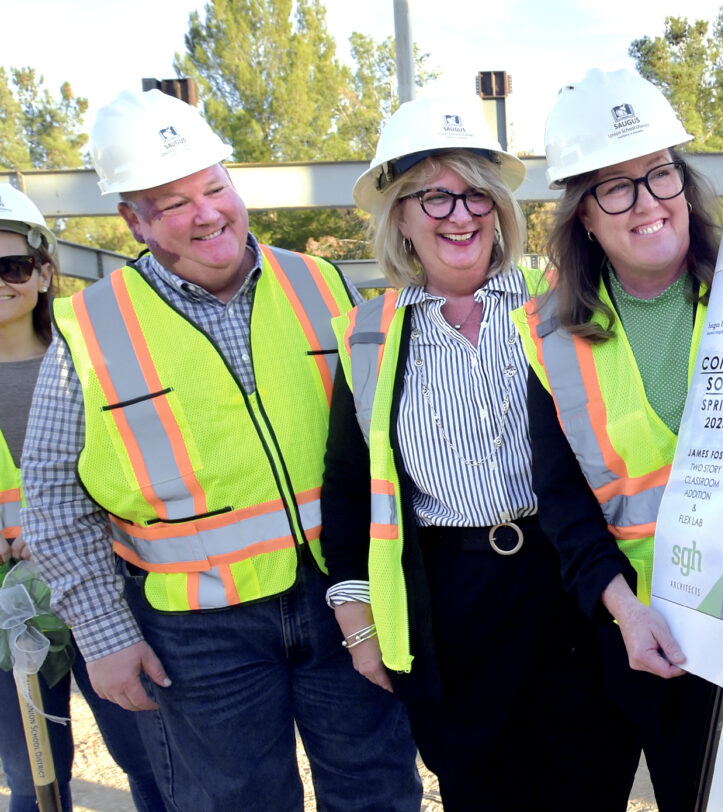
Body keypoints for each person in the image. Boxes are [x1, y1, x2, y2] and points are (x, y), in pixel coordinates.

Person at [20, 89, 421, 811]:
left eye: (214, 187)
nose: (206, 212)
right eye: (172, 203)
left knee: (377, 790)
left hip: (342, 600)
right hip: (199, 634)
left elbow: (382, 436)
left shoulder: (320, 282)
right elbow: (52, 500)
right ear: (131, 220)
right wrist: (105, 635)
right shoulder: (89, 329)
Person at [322, 95, 625, 811]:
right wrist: (361, 629)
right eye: (435, 197)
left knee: (589, 785)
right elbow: (344, 494)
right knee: (479, 790)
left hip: (569, 586)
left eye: (476, 197)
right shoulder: (369, 335)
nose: (460, 216)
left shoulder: (564, 306)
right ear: (399, 214)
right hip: (451, 606)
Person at [512, 68, 723, 812]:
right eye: (616, 187)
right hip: (652, 628)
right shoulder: (549, 338)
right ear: (585, 217)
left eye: (659, 174)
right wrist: (626, 613)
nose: (647, 203)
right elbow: (565, 506)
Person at [0, 187, 166, 812]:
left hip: (103, 594)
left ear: (45, 271)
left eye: (11, 267)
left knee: (153, 763)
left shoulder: (94, 361)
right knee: (36, 779)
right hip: (6, 615)